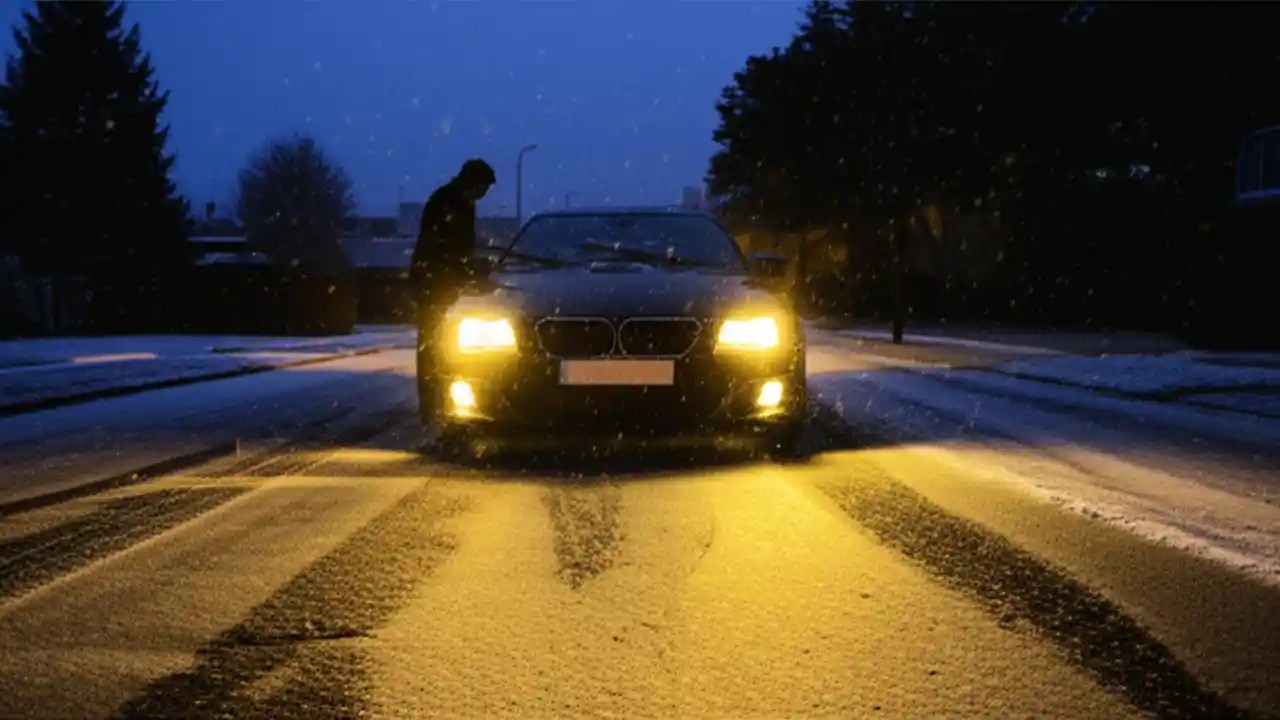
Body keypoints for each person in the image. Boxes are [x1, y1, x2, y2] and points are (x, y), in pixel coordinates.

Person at [411, 158, 496, 422]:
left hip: (440, 280)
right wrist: (468, 267)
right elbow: (444, 246)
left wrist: (469, 266)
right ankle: (432, 403)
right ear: (475, 182)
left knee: (438, 342)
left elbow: (456, 248)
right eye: (484, 189)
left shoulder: (456, 200)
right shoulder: (449, 202)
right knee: (434, 343)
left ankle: (436, 400)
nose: (484, 195)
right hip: (435, 282)